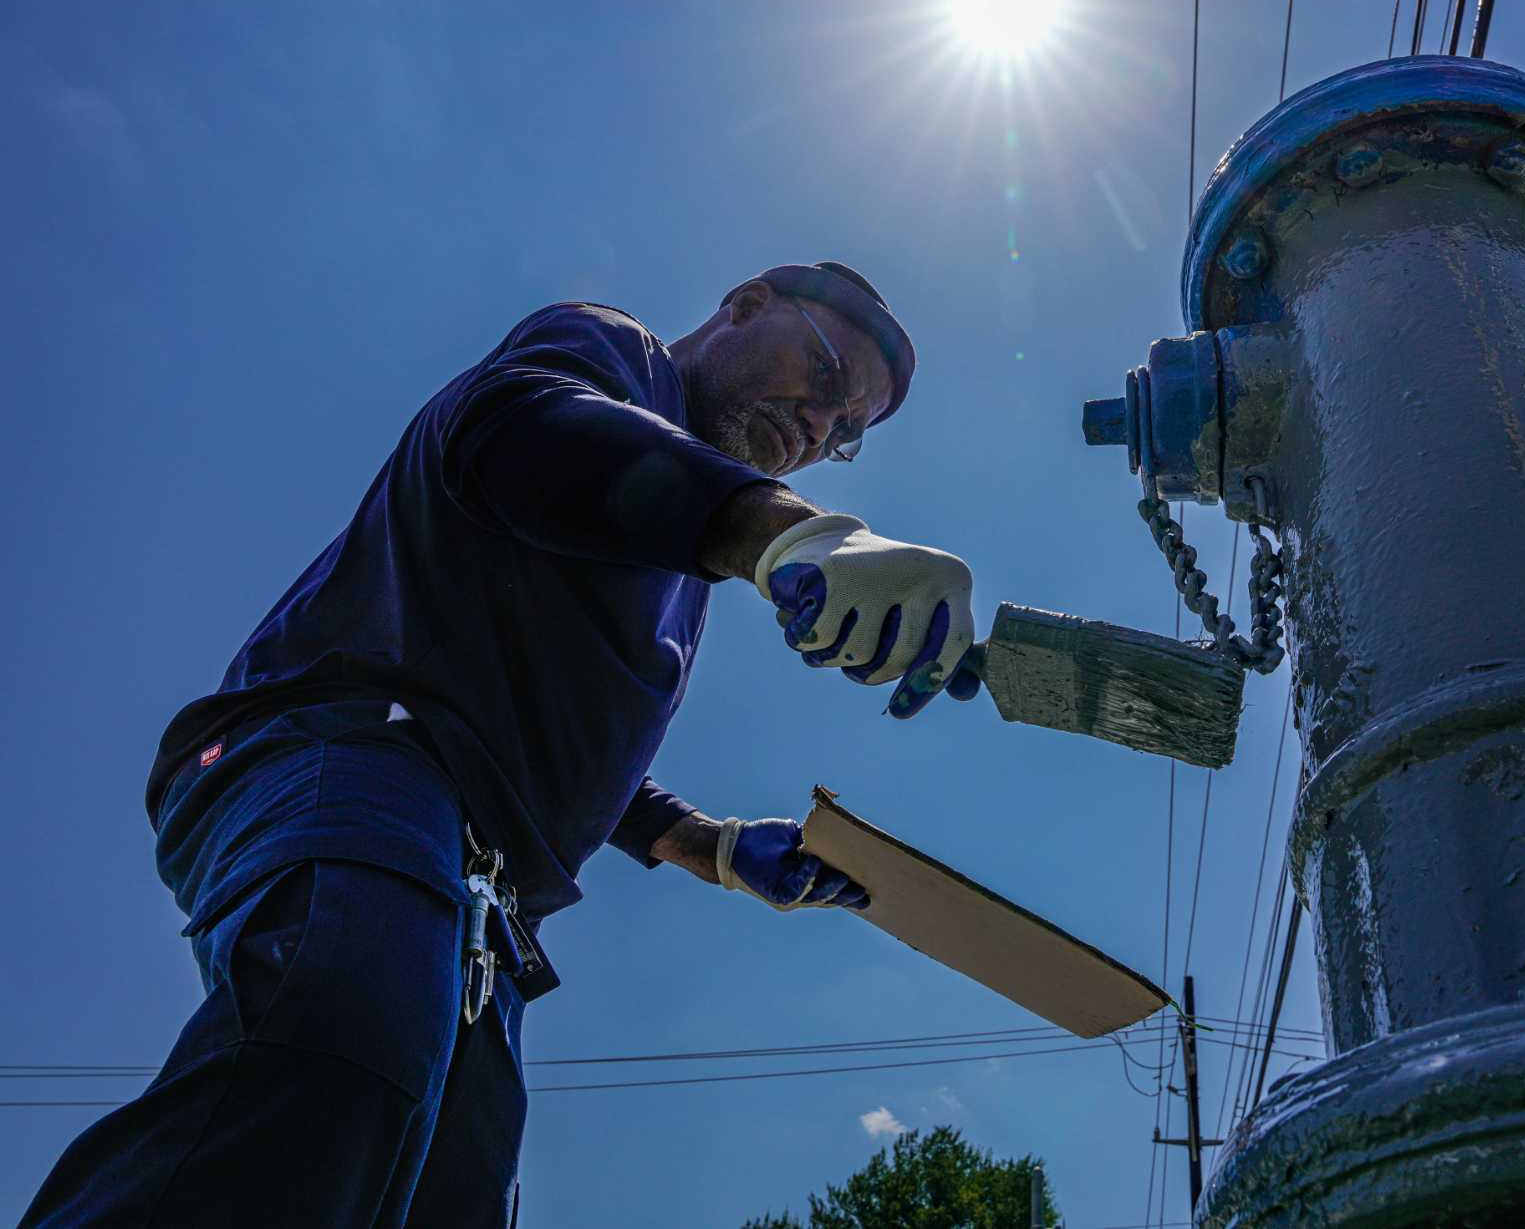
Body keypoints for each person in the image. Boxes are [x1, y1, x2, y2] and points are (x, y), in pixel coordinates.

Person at [23, 262, 978, 1228]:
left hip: (479, 895)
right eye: (824, 372)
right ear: (745, 305)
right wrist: (790, 535)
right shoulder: (612, 356)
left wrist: (715, 848)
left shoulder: (684, 576)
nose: (822, 424)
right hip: (348, 755)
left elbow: (570, 749)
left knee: (456, 1191)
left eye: (849, 426)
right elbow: (516, 429)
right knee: (341, 1049)